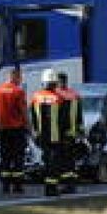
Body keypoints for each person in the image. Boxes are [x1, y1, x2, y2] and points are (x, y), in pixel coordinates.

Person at [30, 68, 70, 197]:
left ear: (43, 83)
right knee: (55, 163)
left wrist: (35, 133)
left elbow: (32, 117)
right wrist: (66, 135)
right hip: (56, 137)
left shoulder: (36, 97)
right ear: (54, 83)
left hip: (41, 137)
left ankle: (48, 188)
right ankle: (52, 189)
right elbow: (64, 120)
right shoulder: (59, 98)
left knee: (47, 161)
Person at [0, 66, 29, 194]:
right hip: (17, 129)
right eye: (20, 77)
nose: (21, 80)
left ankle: (5, 186)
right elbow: (23, 111)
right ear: (15, 76)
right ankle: (18, 186)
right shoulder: (18, 91)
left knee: (5, 158)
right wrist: (28, 126)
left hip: (2, 130)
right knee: (18, 158)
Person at [55, 71, 84, 193]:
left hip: (62, 133)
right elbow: (79, 116)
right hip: (72, 133)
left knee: (63, 160)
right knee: (71, 160)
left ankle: (66, 185)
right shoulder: (75, 95)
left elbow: (61, 117)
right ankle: (71, 185)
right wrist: (80, 130)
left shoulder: (58, 95)